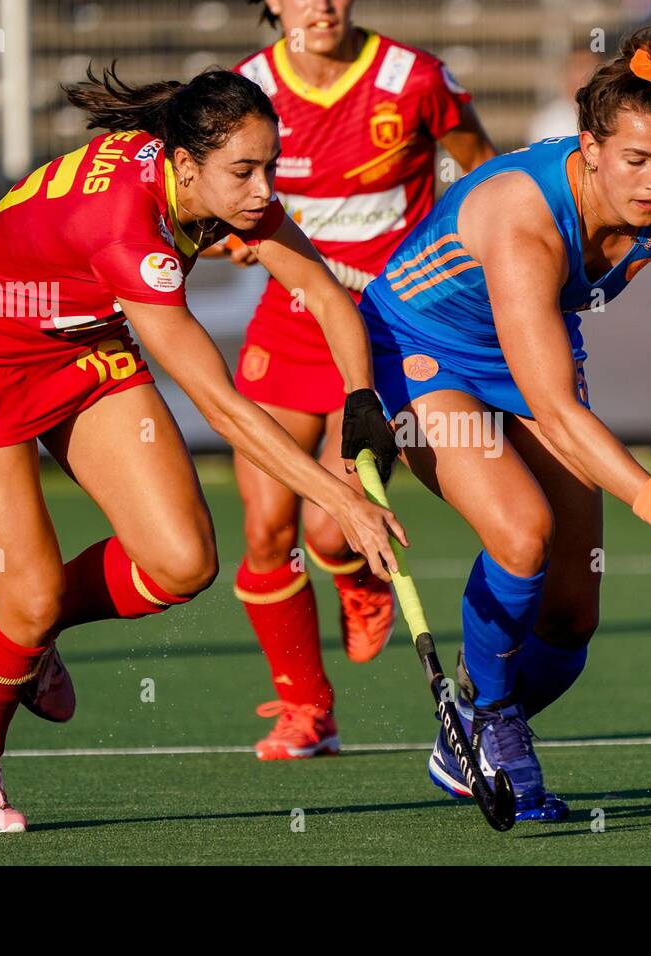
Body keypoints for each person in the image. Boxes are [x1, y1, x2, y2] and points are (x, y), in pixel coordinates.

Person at [0, 65, 403, 833]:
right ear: (185, 164)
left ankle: (15, 620)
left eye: (271, 167)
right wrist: (340, 499)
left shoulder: (212, 181)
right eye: (245, 172)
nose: (264, 190)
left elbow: (326, 294)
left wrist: (360, 397)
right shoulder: (129, 230)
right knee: (28, 601)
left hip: (80, 345)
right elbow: (222, 406)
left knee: (181, 563)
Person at [359, 27, 651, 821]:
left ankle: (464, 734)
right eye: (636, 161)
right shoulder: (522, 213)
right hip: (419, 349)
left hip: (529, 353)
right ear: (590, 148)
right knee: (521, 530)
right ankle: (495, 728)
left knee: (573, 615)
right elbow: (558, 412)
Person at [199, 0, 495, 761]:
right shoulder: (249, 87)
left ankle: (353, 572)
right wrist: (230, 235)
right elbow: (209, 200)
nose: (322, 4)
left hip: (386, 328)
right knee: (266, 529)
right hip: (289, 320)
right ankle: (307, 710)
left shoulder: (414, 78)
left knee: (332, 525)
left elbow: (484, 177)